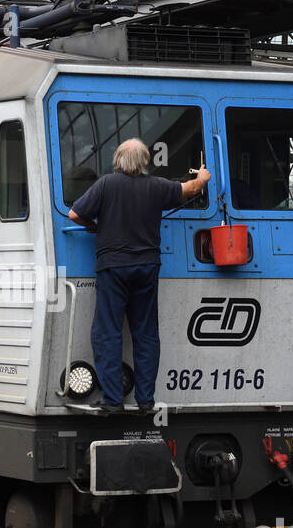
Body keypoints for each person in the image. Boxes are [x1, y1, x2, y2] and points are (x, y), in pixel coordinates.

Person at [68, 138, 211, 414]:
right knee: (145, 333)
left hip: (113, 267)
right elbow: (192, 188)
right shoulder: (157, 187)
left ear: (117, 161)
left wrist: (93, 225)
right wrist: (203, 176)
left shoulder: (106, 184)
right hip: (147, 266)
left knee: (107, 332)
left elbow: (75, 213)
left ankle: (112, 400)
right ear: (145, 162)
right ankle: (146, 400)